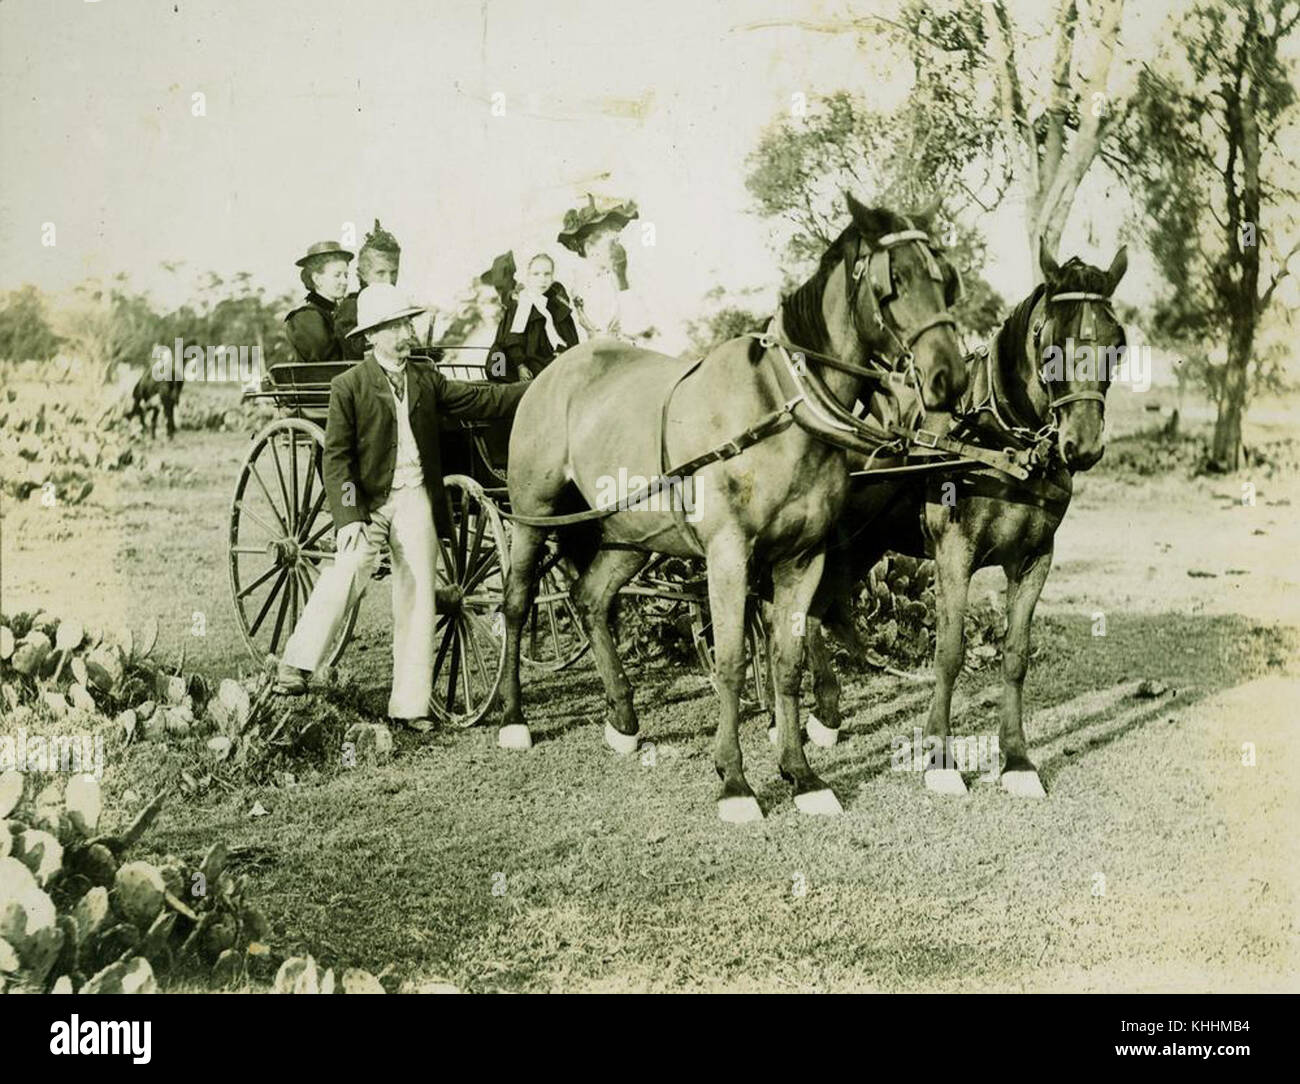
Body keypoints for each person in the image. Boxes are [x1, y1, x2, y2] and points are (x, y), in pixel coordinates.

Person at [273, 283, 528, 731]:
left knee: (418, 595)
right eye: (395, 327)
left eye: (407, 324)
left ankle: (410, 706)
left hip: (415, 498)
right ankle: (297, 663)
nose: (406, 333)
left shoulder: (425, 378)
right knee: (349, 567)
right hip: (370, 502)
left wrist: (533, 389)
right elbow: (337, 459)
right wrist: (349, 517)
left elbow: (478, 399)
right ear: (372, 336)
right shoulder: (348, 386)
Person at [489, 253, 578, 383]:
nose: (542, 279)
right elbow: (514, 340)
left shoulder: (556, 304)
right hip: (532, 362)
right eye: (536, 274)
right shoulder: (524, 303)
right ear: (528, 277)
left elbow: (569, 337)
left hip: (556, 359)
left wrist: (564, 352)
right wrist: (520, 366)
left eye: (547, 274)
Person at [336, 220, 401, 360]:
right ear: (362, 275)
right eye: (380, 273)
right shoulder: (351, 307)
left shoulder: (396, 306)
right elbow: (355, 351)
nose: (389, 281)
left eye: (394, 273)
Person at [285, 240, 353, 362]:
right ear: (317, 279)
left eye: (346, 275)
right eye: (337, 275)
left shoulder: (338, 311)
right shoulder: (306, 317)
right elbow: (325, 365)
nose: (344, 282)